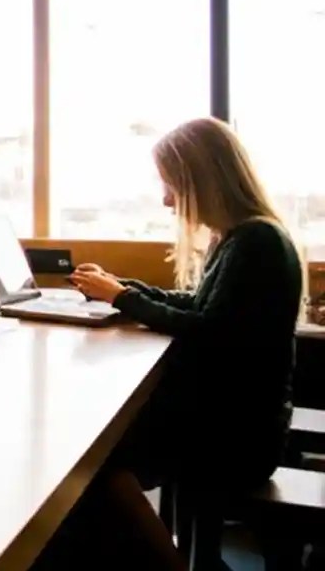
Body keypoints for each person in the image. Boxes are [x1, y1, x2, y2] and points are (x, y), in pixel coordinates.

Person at [43, 117, 303, 569]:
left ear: (201, 180)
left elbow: (209, 331)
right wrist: (124, 288)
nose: (166, 200)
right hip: (240, 422)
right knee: (99, 451)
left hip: (239, 438)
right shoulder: (244, 235)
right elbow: (201, 306)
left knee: (93, 463)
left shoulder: (255, 241)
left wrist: (123, 297)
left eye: (171, 185)